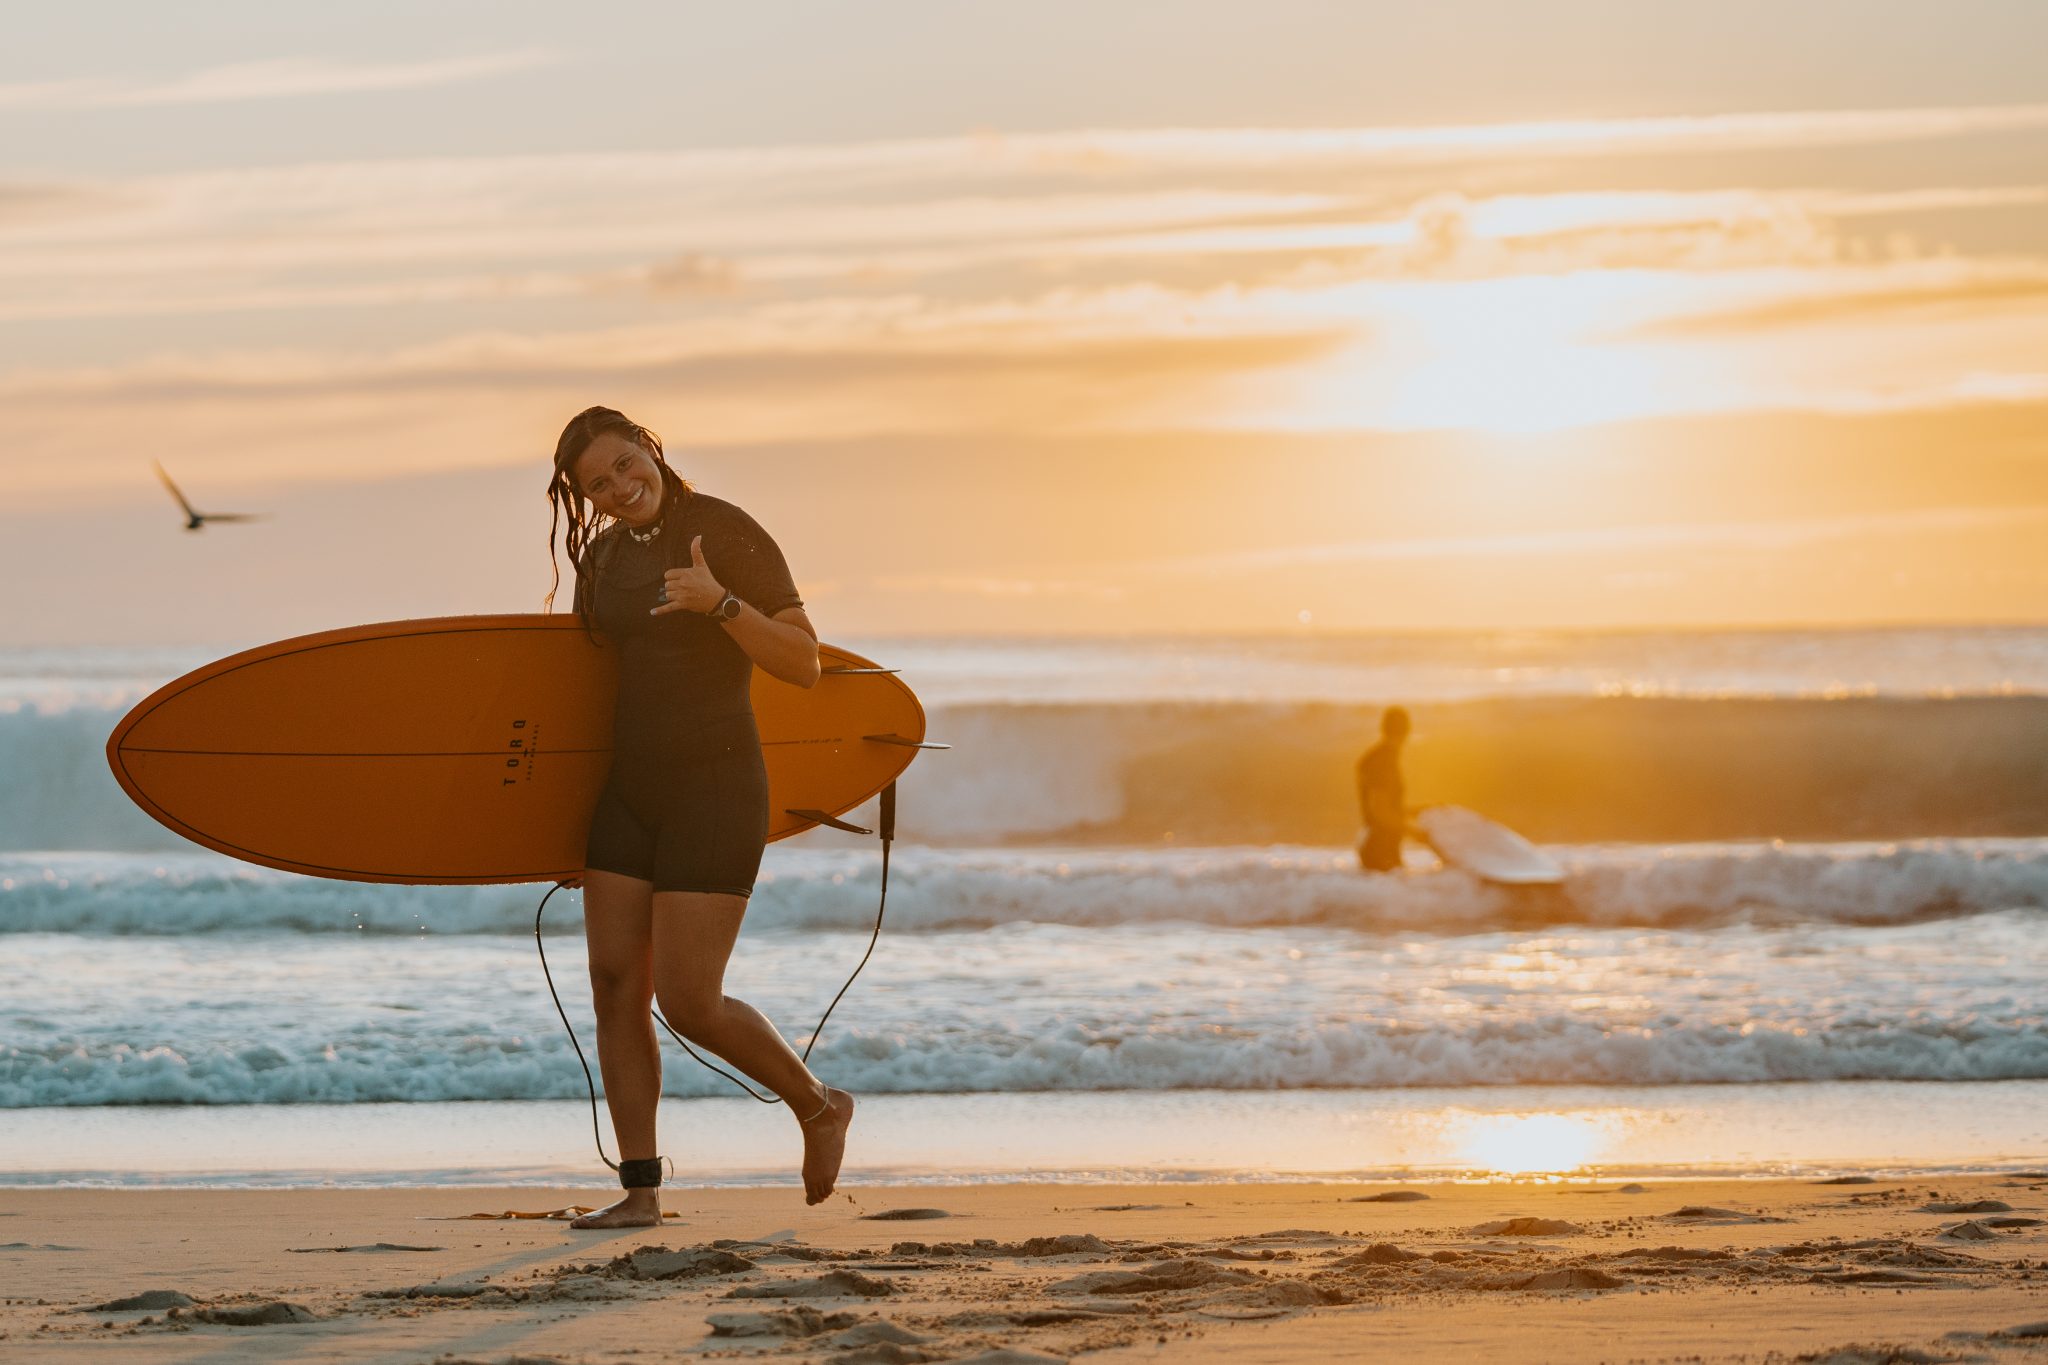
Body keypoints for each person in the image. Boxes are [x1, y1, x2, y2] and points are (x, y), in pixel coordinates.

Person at [544, 406, 851, 1227]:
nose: (617, 486)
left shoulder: (722, 529)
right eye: (596, 483)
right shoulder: (601, 557)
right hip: (627, 793)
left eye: (623, 463)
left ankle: (818, 1104)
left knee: (688, 1001)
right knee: (614, 986)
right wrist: (547, 822)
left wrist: (720, 604)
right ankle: (640, 1189)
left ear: (649, 446)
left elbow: (805, 662)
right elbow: (588, 691)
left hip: (713, 787)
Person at [1355, 706, 1413, 873]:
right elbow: (1380, 810)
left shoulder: (1378, 757)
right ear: (1407, 730)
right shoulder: (1383, 761)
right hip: (1379, 851)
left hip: (1378, 847)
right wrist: (1416, 832)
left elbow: (1385, 806)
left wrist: (1416, 812)